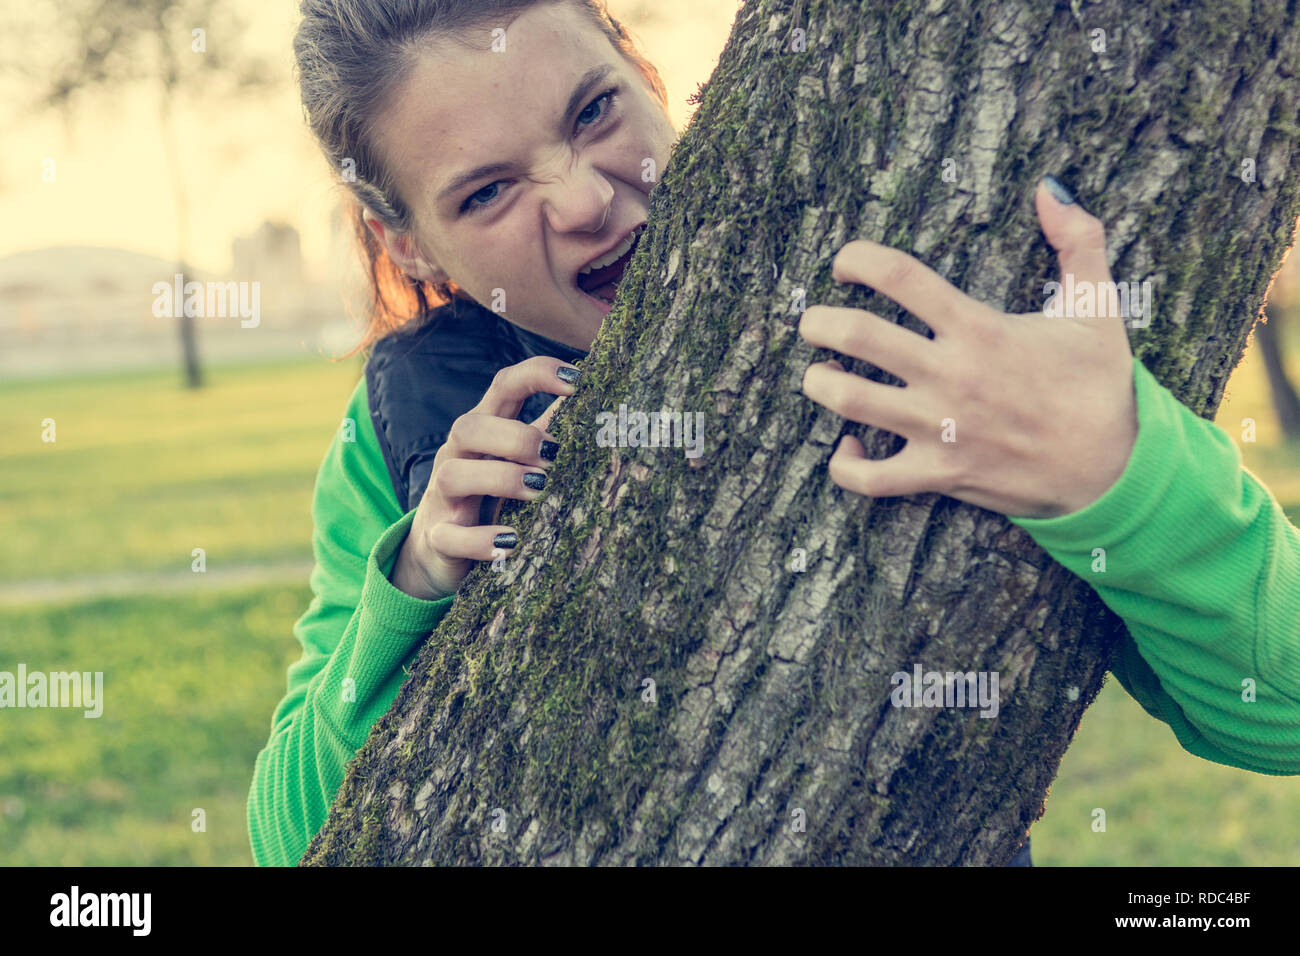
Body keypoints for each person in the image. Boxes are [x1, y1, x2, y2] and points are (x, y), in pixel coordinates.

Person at [247, 0, 1300, 867]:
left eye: (592, 111)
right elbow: (290, 839)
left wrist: (1108, 470)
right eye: (485, 191)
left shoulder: (909, 277)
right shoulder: (416, 421)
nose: (580, 198)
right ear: (409, 244)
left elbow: (1281, 709)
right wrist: (415, 581)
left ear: (646, 74)